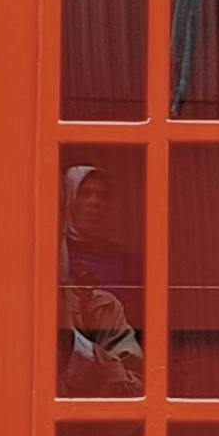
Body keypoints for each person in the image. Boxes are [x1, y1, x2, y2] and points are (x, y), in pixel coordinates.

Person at [58, 162, 144, 396]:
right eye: (86, 193)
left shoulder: (128, 262)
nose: (95, 202)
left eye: (103, 195)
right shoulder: (57, 259)